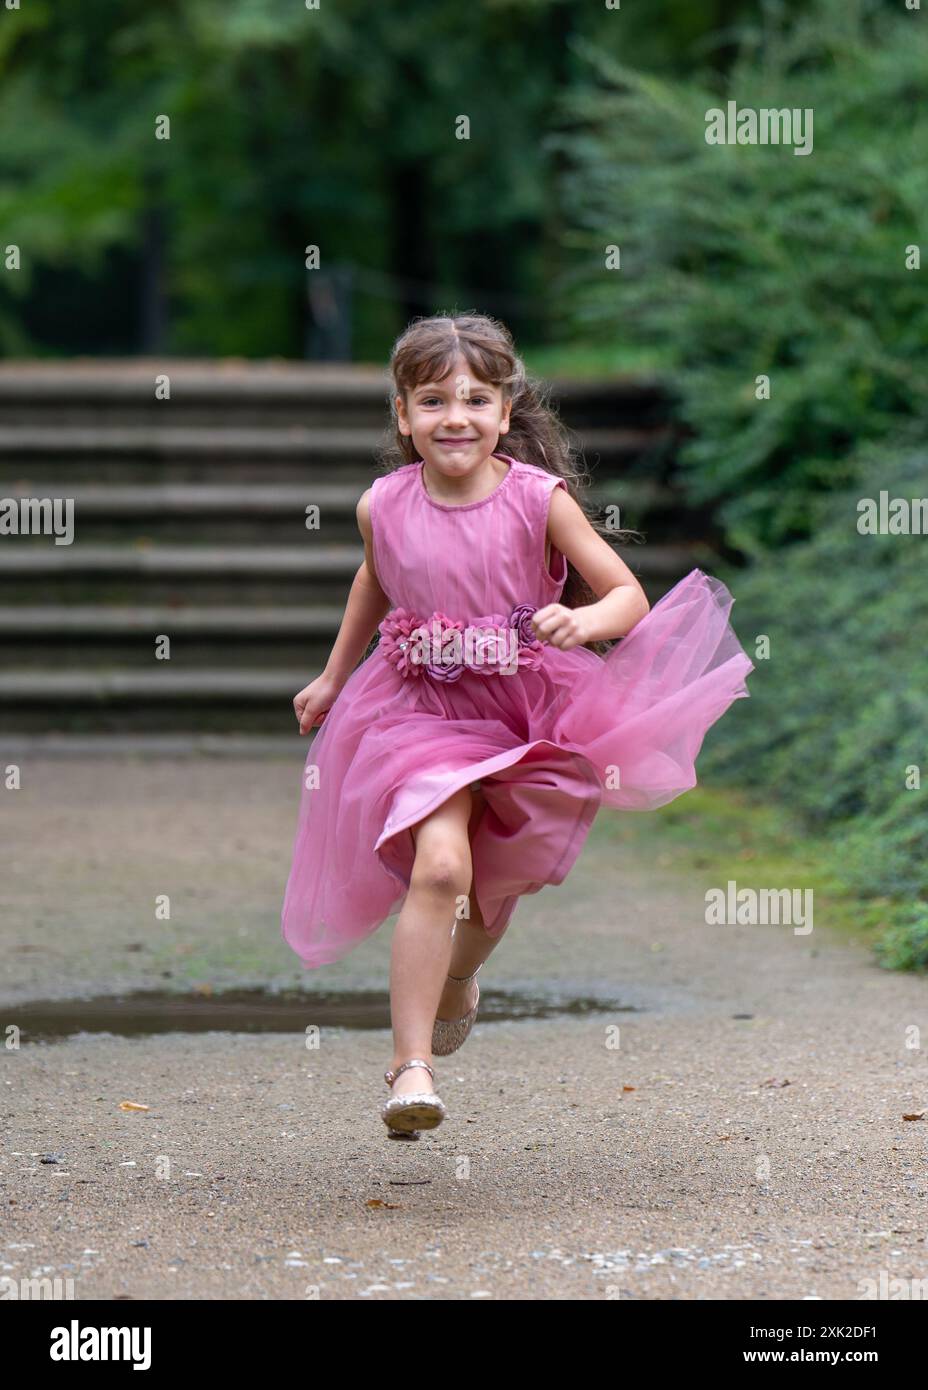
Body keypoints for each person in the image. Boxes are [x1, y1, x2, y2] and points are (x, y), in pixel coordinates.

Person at [280, 312, 754, 1138]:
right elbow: (375, 582)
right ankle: (410, 1069)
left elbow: (628, 596)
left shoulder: (539, 500)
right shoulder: (381, 505)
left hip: (523, 712)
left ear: (505, 412)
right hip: (413, 711)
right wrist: (332, 674)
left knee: (489, 892)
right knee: (438, 867)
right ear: (402, 416)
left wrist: (586, 620)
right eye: (431, 401)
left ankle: (459, 979)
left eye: (474, 399)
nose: (452, 417)